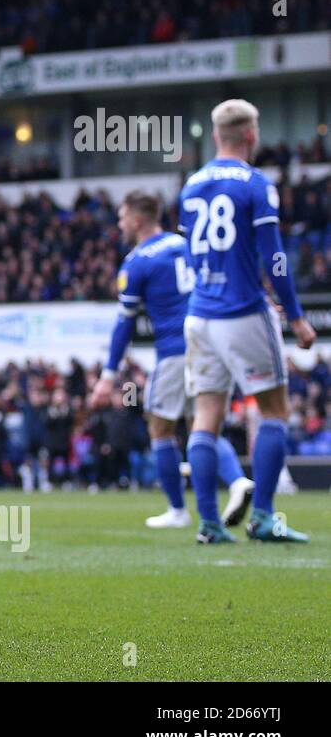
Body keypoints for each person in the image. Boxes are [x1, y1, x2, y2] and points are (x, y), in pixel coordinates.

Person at [178, 99, 315, 543]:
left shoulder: (191, 185)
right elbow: (275, 258)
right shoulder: (256, 184)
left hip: (199, 315)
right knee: (275, 409)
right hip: (242, 311)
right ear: (252, 136)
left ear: (217, 135)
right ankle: (263, 518)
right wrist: (295, 316)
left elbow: (189, 257)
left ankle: (209, 524)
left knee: (206, 417)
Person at [89, 191, 254, 528]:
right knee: (203, 426)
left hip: (175, 350)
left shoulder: (137, 261)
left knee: (160, 427)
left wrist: (108, 375)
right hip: (210, 343)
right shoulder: (186, 244)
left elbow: (125, 323)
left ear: (136, 220)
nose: (119, 224)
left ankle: (178, 510)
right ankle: (238, 481)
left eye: (121, 218)